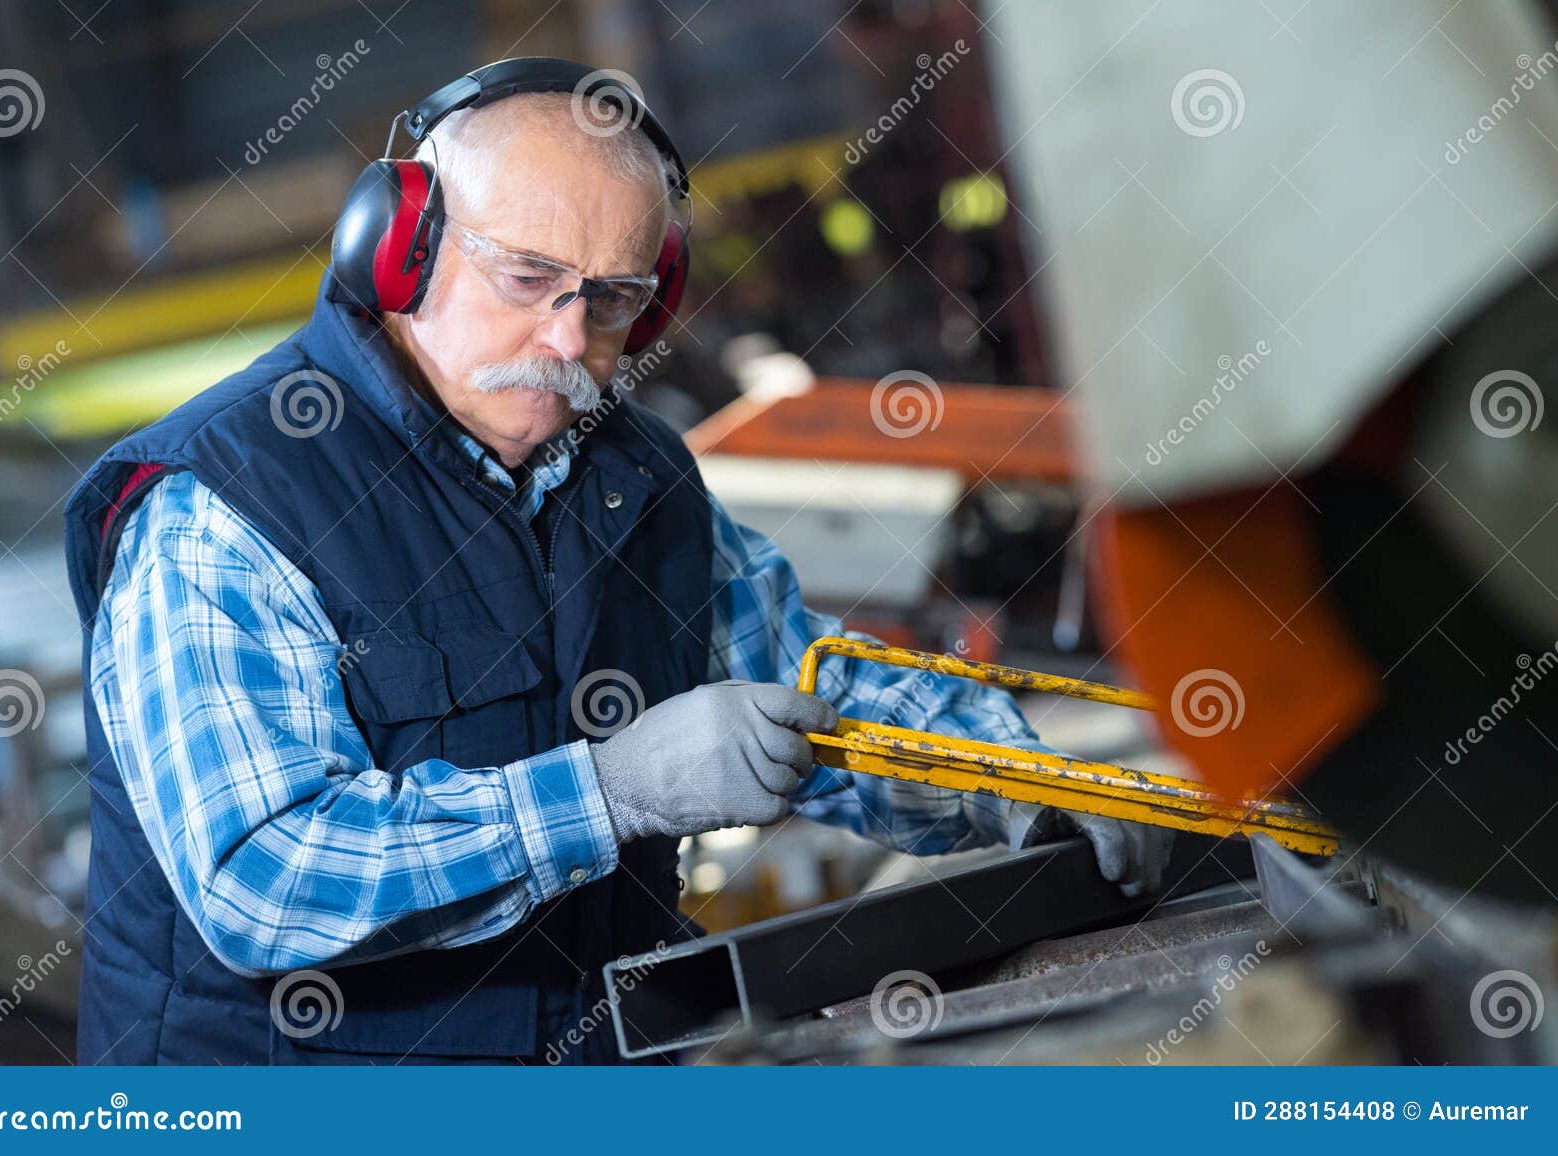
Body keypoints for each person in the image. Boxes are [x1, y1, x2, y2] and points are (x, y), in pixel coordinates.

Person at [63, 59, 1171, 1066]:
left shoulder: (633, 476)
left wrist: (1012, 786)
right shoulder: (225, 501)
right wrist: (610, 792)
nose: (566, 338)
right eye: (526, 277)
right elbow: (267, 879)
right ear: (400, 247)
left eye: (612, 299)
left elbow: (814, 690)